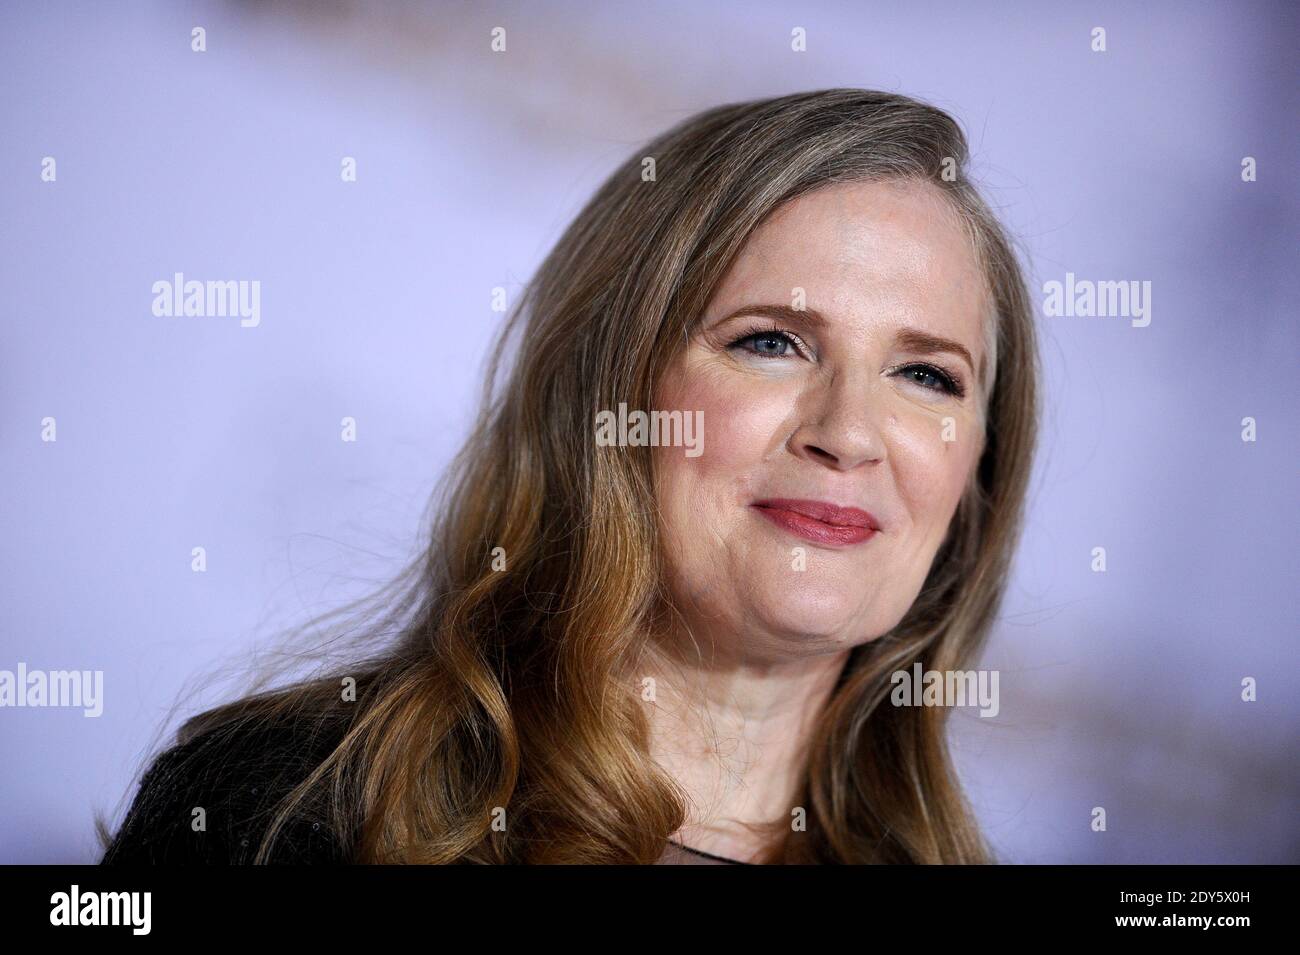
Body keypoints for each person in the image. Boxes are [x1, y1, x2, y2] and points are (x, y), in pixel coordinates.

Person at [99, 87, 1040, 865]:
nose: (848, 432)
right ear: (607, 393)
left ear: (977, 473)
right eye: (770, 341)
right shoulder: (279, 813)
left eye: (926, 375)